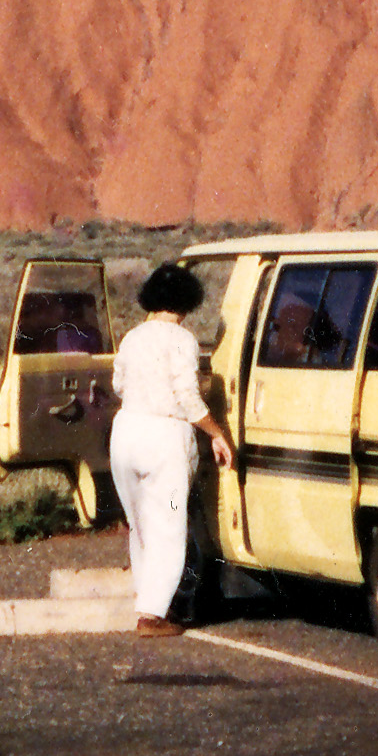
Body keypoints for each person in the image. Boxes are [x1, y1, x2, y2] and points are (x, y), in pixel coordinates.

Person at [109, 261, 232, 636]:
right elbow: (188, 399)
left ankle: (147, 602)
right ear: (188, 301)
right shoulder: (183, 340)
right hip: (166, 442)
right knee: (170, 522)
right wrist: (216, 432)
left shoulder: (132, 337)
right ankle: (152, 614)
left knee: (140, 524)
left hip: (126, 433)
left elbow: (118, 385)